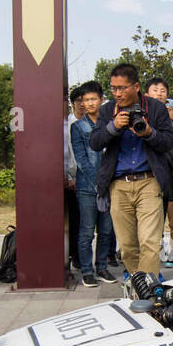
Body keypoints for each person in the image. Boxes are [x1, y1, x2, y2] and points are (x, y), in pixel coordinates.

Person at [88, 63, 173, 282]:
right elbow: (95, 142)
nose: (117, 93)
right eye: (113, 88)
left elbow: (168, 143)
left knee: (149, 242)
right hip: (118, 184)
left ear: (136, 86)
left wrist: (149, 132)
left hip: (149, 182)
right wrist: (113, 127)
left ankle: (145, 292)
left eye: (122, 88)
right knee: (127, 247)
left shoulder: (155, 108)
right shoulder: (109, 110)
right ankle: (141, 284)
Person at [71, 81, 118, 286]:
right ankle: (87, 271)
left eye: (93, 99)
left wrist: (108, 182)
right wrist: (99, 182)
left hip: (111, 187)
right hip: (87, 188)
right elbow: (81, 160)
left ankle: (102, 268)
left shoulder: (111, 124)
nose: (89, 103)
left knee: (107, 231)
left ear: (101, 100)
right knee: (87, 231)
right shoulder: (78, 127)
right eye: (85, 100)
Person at [147, 79, 173, 268]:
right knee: (154, 223)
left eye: (169, 110)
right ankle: (155, 252)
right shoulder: (151, 127)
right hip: (154, 181)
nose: (166, 113)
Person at [65, 86, 86, 274]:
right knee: (75, 223)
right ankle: (75, 257)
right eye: (78, 100)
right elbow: (65, 155)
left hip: (90, 181)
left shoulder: (94, 124)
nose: (82, 104)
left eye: (85, 100)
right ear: (72, 104)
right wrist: (70, 177)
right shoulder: (67, 126)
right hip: (72, 182)